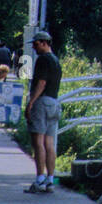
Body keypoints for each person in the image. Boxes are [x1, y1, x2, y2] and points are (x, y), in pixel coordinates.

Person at [24, 31, 61, 194]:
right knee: (49, 142)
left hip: (42, 101)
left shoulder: (43, 59)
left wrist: (31, 103)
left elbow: (41, 82)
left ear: (45, 43)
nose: (34, 46)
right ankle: (50, 179)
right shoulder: (55, 60)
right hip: (54, 102)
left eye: (36, 43)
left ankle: (39, 179)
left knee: (37, 141)